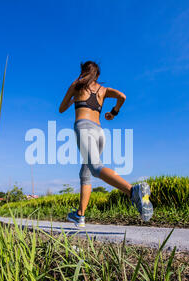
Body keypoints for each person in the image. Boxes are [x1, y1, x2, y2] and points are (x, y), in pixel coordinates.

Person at [59, 61, 153, 227]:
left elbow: (61, 108)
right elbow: (122, 96)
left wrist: (74, 99)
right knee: (85, 172)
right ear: (98, 75)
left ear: (83, 71)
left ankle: (133, 191)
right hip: (100, 133)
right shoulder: (103, 90)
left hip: (84, 128)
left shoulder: (76, 85)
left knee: (95, 167)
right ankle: (80, 215)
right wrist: (114, 112)